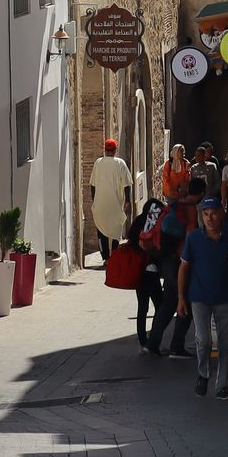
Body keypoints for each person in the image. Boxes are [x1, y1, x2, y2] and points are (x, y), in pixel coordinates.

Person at [177, 195, 228, 400]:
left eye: (213, 214)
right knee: (203, 340)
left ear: (221, 213)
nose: (209, 218)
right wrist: (181, 298)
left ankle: (222, 386)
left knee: (226, 344)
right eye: (205, 214)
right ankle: (203, 374)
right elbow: (184, 267)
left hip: (225, 297)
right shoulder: (194, 238)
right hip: (199, 297)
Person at [145, 177, 202, 357]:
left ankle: (152, 343)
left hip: (167, 260)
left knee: (168, 303)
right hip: (180, 262)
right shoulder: (191, 209)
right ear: (201, 193)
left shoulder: (176, 205)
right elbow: (191, 237)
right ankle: (177, 346)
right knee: (186, 302)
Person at [130, 188, 169, 350]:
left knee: (142, 307)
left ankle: (142, 341)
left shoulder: (137, 221)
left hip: (137, 270)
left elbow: (131, 240)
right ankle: (153, 340)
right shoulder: (152, 225)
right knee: (160, 306)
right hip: (150, 271)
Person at [90, 138, 133, 268]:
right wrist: (128, 200)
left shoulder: (98, 162)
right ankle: (113, 255)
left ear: (105, 150)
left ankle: (106, 258)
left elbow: (92, 184)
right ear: (115, 150)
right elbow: (127, 184)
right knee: (115, 230)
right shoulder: (120, 163)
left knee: (101, 229)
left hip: (100, 203)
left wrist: (94, 200)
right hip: (115, 203)